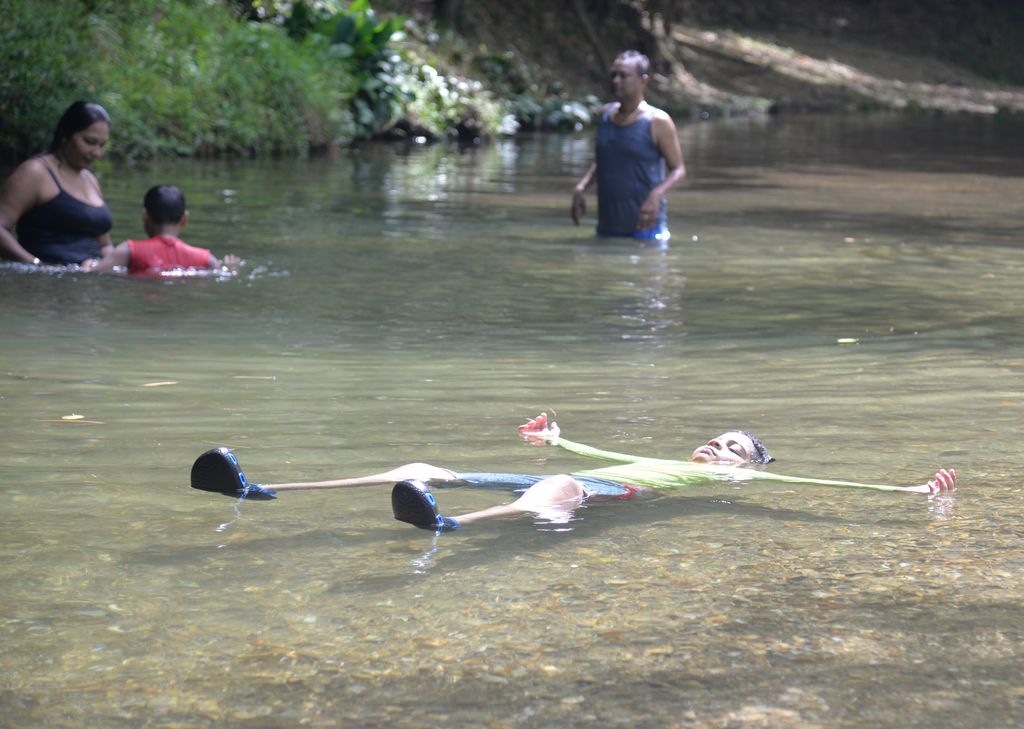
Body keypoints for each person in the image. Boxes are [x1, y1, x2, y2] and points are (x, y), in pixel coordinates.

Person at [190, 413, 958, 533]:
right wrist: (556, 436)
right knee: (425, 463)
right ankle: (259, 488)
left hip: (609, 495)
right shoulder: (672, 454)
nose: (716, 447)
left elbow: (820, 487)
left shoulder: (742, 482)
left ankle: (447, 524)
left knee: (559, 493)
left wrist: (910, 491)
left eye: (732, 448)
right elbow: (588, 450)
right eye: (717, 438)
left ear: (744, 472)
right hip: (593, 472)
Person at [571, 50, 686, 247]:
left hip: (646, 230)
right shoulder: (605, 115)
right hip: (607, 227)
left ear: (643, 80)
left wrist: (655, 196)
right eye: (614, 75)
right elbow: (606, 159)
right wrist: (582, 187)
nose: (616, 80)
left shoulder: (658, 121)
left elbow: (679, 169)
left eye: (623, 76)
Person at [0, 101, 114, 266]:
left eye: (102, 145)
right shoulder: (35, 172)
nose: (97, 152)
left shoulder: (91, 179)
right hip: (45, 277)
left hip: (91, 276)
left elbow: (105, 245)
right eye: (89, 141)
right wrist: (37, 265)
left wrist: (113, 265)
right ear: (65, 135)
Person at [87, 184, 239, 275]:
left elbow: (94, 273)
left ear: (145, 216)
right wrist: (231, 268)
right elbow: (224, 273)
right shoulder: (204, 258)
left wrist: (88, 266)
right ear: (184, 219)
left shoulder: (129, 250)